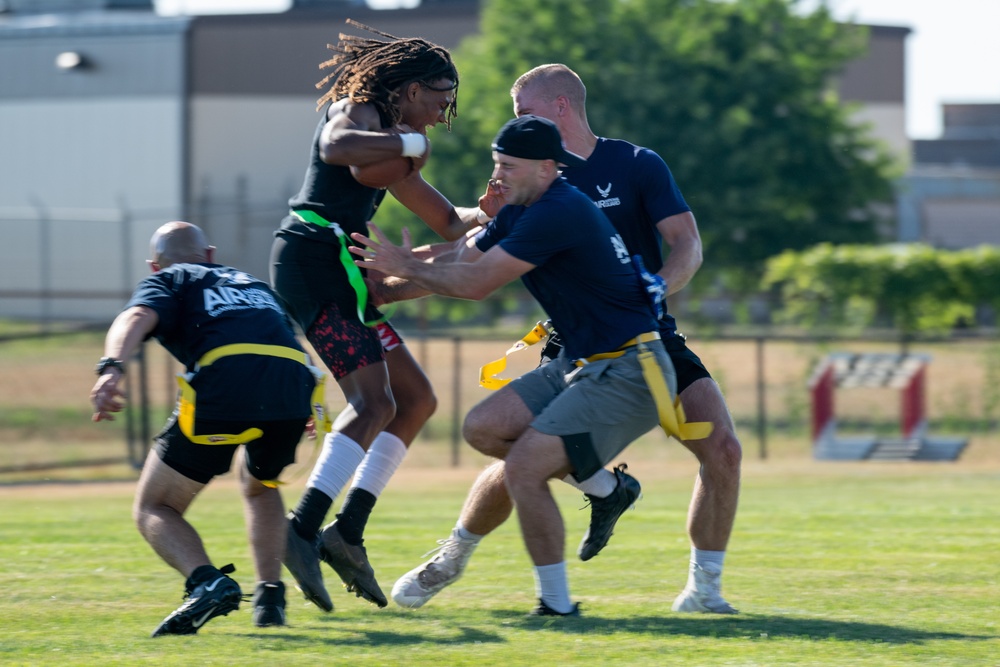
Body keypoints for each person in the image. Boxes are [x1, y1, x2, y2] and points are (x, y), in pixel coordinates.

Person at [390, 64, 742, 615]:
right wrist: (379, 290)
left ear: (560, 107)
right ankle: (455, 555)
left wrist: (659, 289)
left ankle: (705, 591)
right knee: (518, 456)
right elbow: (467, 256)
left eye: (523, 113)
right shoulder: (530, 180)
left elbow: (687, 244)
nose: (516, 128)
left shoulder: (633, 165)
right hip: (573, 342)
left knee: (722, 450)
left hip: (647, 339)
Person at [269, 21, 501, 612]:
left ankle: (345, 533)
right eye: (439, 99)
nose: (441, 114)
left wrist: (493, 210)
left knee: (415, 399)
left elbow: (449, 222)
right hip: (311, 265)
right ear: (409, 87)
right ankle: (300, 530)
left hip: (340, 274)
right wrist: (410, 147)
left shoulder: (393, 139)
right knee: (374, 403)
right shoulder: (360, 112)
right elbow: (335, 148)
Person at [90, 221, 318, 635]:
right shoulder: (252, 284)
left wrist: (111, 368)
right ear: (210, 254)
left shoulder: (173, 278)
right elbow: (283, 337)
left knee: (154, 507)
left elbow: (137, 315)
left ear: (153, 266)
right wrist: (299, 402)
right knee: (260, 482)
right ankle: (270, 597)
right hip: (293, 384)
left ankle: (207, 582)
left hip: (228, 382)